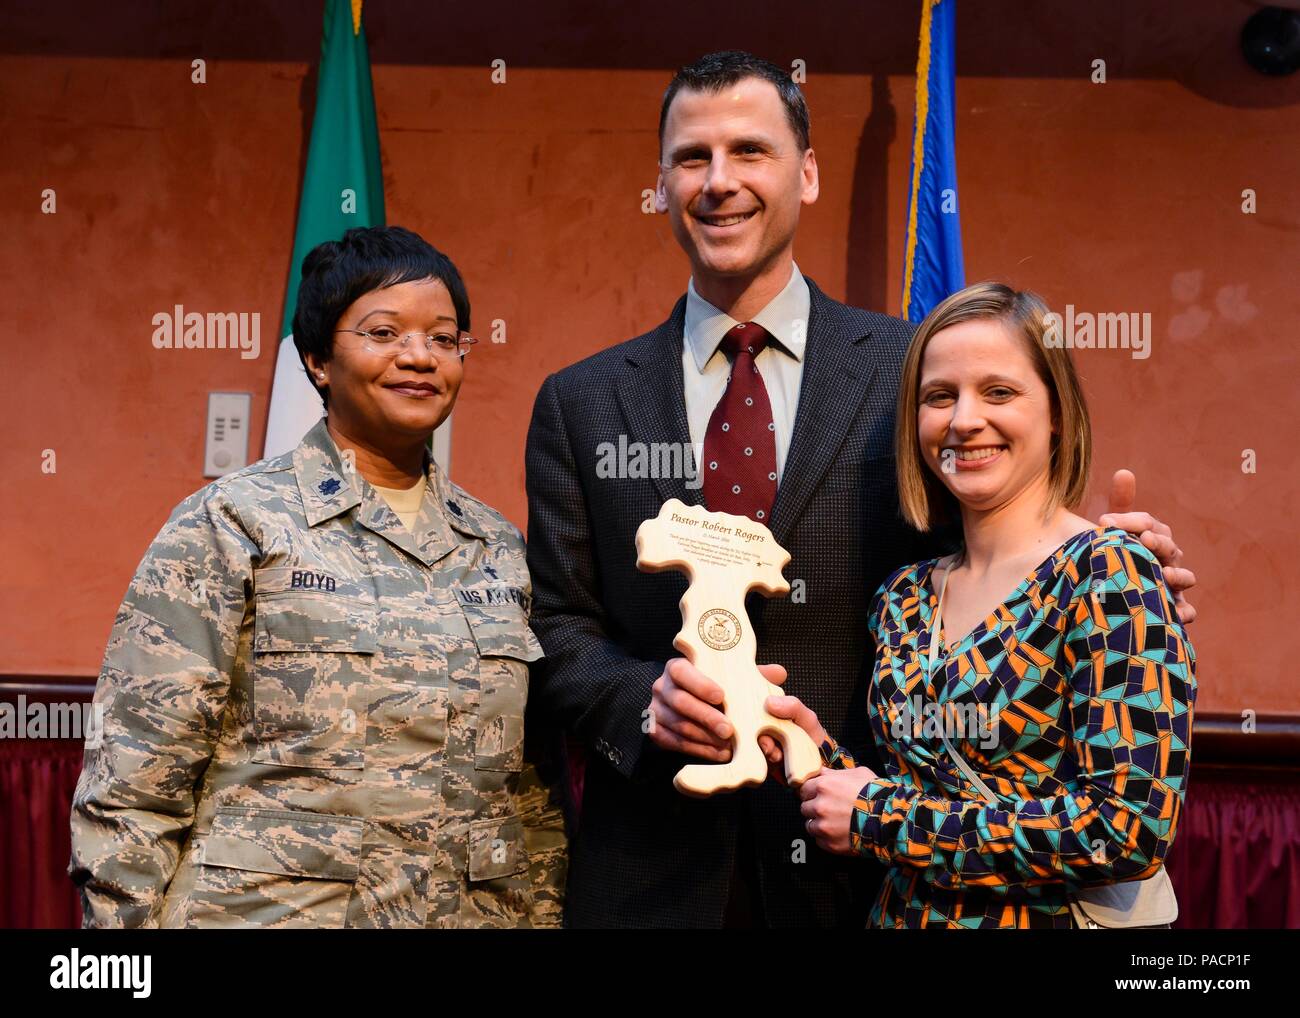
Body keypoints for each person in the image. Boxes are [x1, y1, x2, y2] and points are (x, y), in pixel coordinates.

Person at [524, 51, 1197, 928]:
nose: (719, 181)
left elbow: (1013, 559)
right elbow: (558, 629)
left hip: (866, 883)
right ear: (660, 184)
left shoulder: (912, 375)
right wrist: (642, 702)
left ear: (805, 173)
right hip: (652, 871)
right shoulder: (581, 400)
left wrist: (1126, 574)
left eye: (750, 151)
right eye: (693, 158)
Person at [70, 226, 566, 928]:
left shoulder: (498, 548)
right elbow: (136, 775)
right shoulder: (234, 523)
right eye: (384, 332)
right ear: (317, 359)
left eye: (445, 338)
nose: (419, 357)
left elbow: (530, 799)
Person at [766, 283, 1196, 927]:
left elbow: (1125, 830)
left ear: (1056, 412)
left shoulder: (1107, 571)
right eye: (940, 396)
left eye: (998, 391)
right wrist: (815, 754)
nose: (964, 419)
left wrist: (880, 820)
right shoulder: (904, 595)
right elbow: (919, 788)